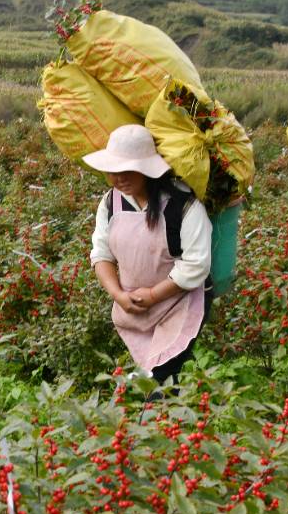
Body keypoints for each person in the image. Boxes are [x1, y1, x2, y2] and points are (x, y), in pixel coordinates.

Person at [86, 124, 213, 391]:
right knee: (154, 376)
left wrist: (154, 295)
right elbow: (101, 254)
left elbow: (196, 264)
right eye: (113, 170)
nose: (119, 177)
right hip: (133, 304)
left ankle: (156, 424)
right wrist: (118, 295)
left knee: (162, 378)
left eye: (127, 169)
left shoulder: (183, 205)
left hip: (179, 301)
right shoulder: (111, 203)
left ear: (148, 169)